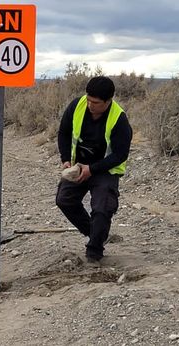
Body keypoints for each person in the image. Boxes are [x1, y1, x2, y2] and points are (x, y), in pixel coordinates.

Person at [55, 76, 133, 264]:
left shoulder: (119, 120)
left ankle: (94, 253)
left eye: (96, 103)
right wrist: (66, 160)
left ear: (108, 101)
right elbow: (64, 133)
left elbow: (120, 155)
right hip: (78, 166)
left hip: (104, 169)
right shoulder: (77, 105)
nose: (90, 105)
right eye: (89, 99)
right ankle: (95, 233)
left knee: (102, 208)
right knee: (64, 200)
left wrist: (92, 169)